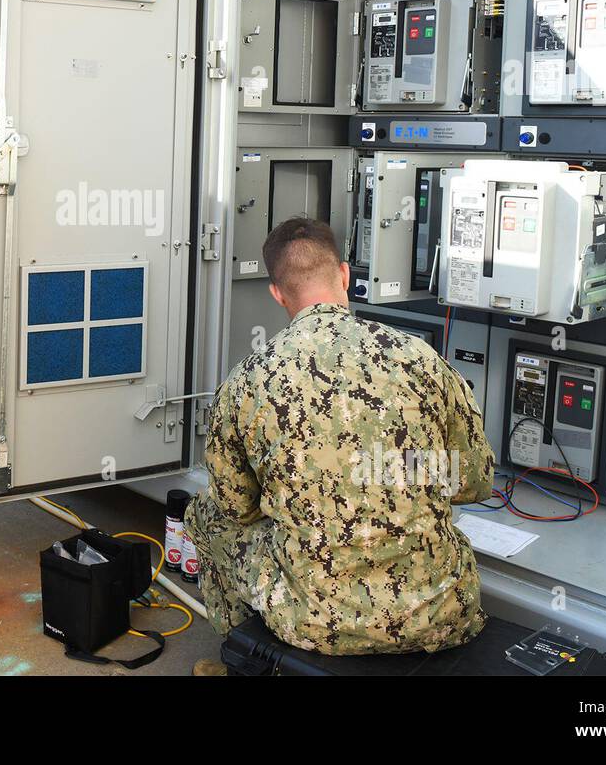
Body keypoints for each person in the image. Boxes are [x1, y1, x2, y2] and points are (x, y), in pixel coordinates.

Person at [186, 217, 494, 675]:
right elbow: (474, 483)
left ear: (277, 294)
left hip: (309, 619)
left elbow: (236, 507)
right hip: (440, 614)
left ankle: (245, 663)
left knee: (204, 515)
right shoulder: (419, 357)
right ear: (345, 275)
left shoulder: (247, 379)